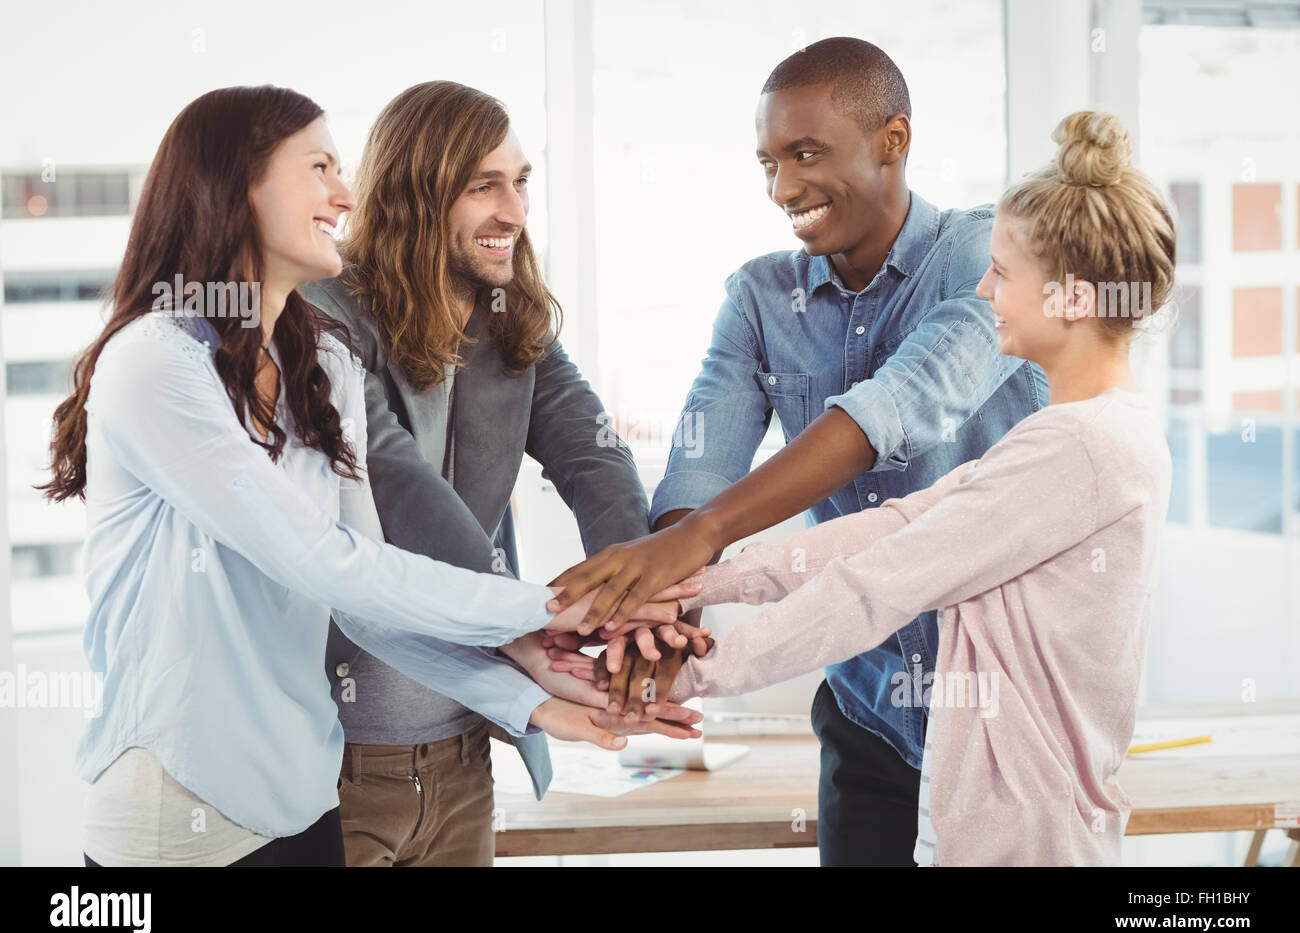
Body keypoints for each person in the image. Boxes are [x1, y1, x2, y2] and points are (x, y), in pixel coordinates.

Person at [38, 85, 696, 867]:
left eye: (521, 183)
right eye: (319, 168)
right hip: (186, 819)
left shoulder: (321, 361)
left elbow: (369, 604)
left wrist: (540, 700)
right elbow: (329, 561)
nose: (343, 197)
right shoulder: (157, 362)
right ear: (235, 185)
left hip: (307, 805)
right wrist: (562, 611)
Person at [583, 110, 1177, 866]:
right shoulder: (1079, 434)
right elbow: (895, 527)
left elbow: (881, 584)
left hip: (1026, 837)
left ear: (1073, 299)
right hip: (957, 805)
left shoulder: (1079, 448)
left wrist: (685, 674)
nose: (985, 287)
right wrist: (701, 581)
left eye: (1005, 272)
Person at [547, 37, 1047, 865]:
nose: (783, 189)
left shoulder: (986, 255)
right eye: (769, 162)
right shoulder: (759, 298)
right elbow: (703, 459)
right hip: (869, 716)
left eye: (806, 154)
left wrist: (697, 540)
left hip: (1008, 723)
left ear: (894, 141)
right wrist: (668, 613)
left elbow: (900, 406)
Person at [299, 80, 705, 866]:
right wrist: (535, 617)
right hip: (334, 759)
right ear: (406, 195)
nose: (514, 212)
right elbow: (391, 479)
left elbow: (594, 454)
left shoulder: (508, 319)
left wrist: (637, 601)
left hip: (465, 751)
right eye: (483, 185)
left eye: (520, 183)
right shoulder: (324, 310)